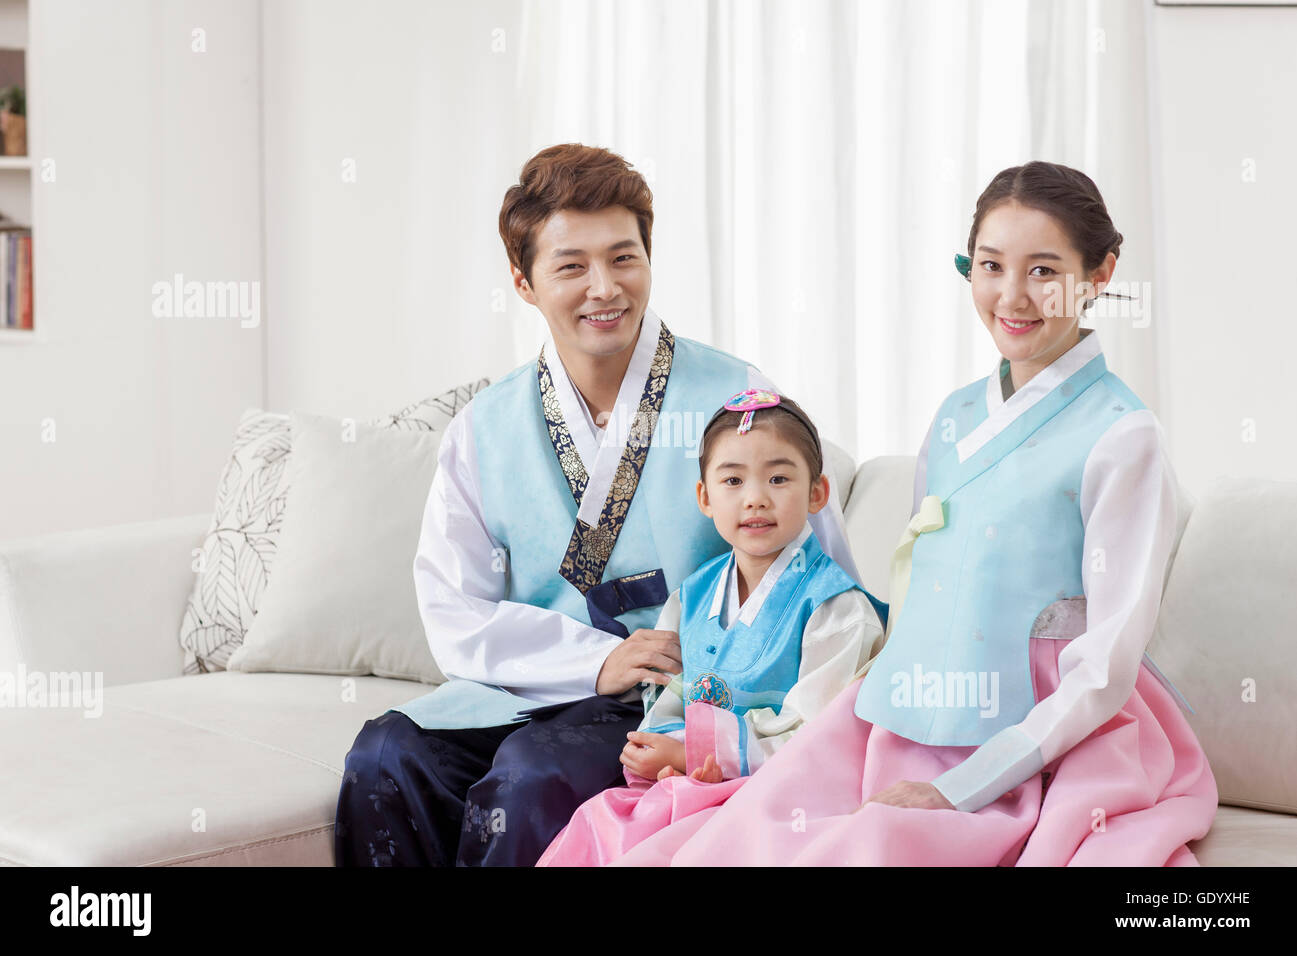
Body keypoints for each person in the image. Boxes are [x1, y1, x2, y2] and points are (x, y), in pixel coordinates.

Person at [608, 160, 1219, 867]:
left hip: (1047, 725)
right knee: (729, 841)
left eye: (1045, 271)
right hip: (916, 699)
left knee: (872, 844)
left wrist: (963, 788)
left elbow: (1107, 663)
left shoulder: (1123, 435)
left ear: (1101, 272)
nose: (1012, 296)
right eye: (990, 266)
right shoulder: (956, 417)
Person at [332, 143, 860, 866]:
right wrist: (596, 659)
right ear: (524, 282)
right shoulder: (484, 430)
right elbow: (453, 609)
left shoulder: (736, 396)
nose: (605, 288)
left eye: (623, 258)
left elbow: (823, 572)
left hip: (680, 698)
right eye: (571, 266)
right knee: (382, 756)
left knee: (529, 777)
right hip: (536, 683)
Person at [538, 391, 885, 866]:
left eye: (779, 478)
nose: (756, 498)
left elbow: (819, 737)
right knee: (598, 821)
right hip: (692, 781)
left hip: (780, 793)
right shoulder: (693, 594)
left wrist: (703, 753)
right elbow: (671, 695)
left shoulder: (837, 608)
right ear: (705, 496)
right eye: (733, 480)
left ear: (817, 492)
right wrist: (660, 749)